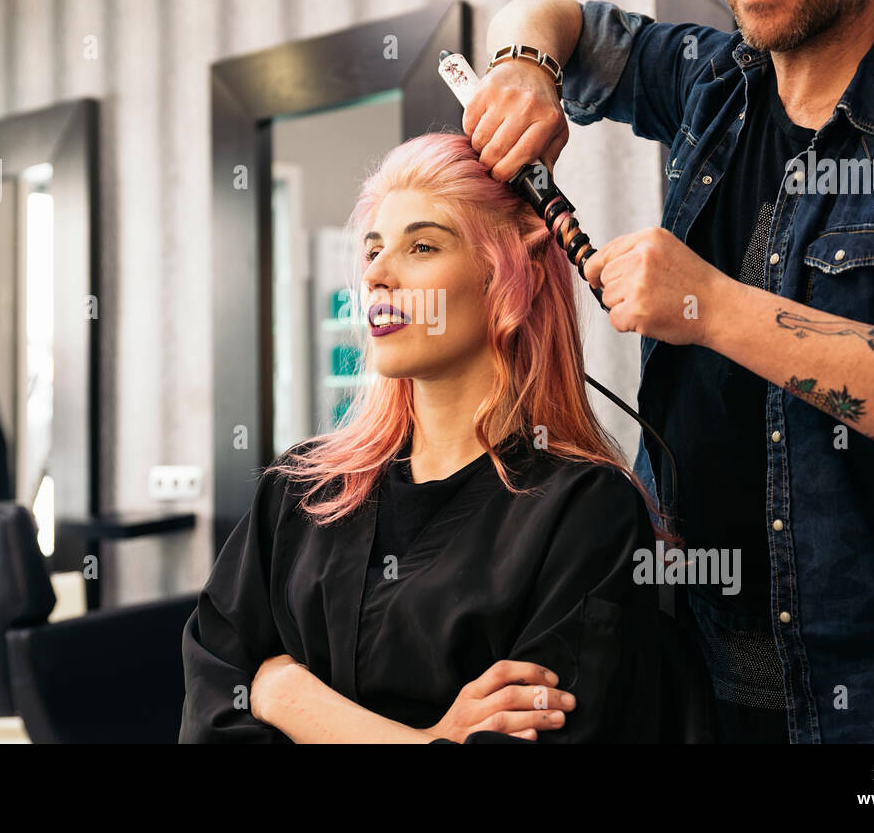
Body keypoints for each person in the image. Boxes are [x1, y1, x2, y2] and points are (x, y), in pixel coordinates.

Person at [463, 0, 874, 743]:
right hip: (696, 697)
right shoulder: (711, 84)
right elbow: (549, 17)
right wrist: (523, 71)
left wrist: (712, 306)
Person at [179, 132, 680, 743]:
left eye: (421, 246)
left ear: (507, 275)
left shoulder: (586, 513)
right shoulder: (299, 492)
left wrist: (288, 694)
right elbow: (209, 717)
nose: (379, 275)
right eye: (372, 251)